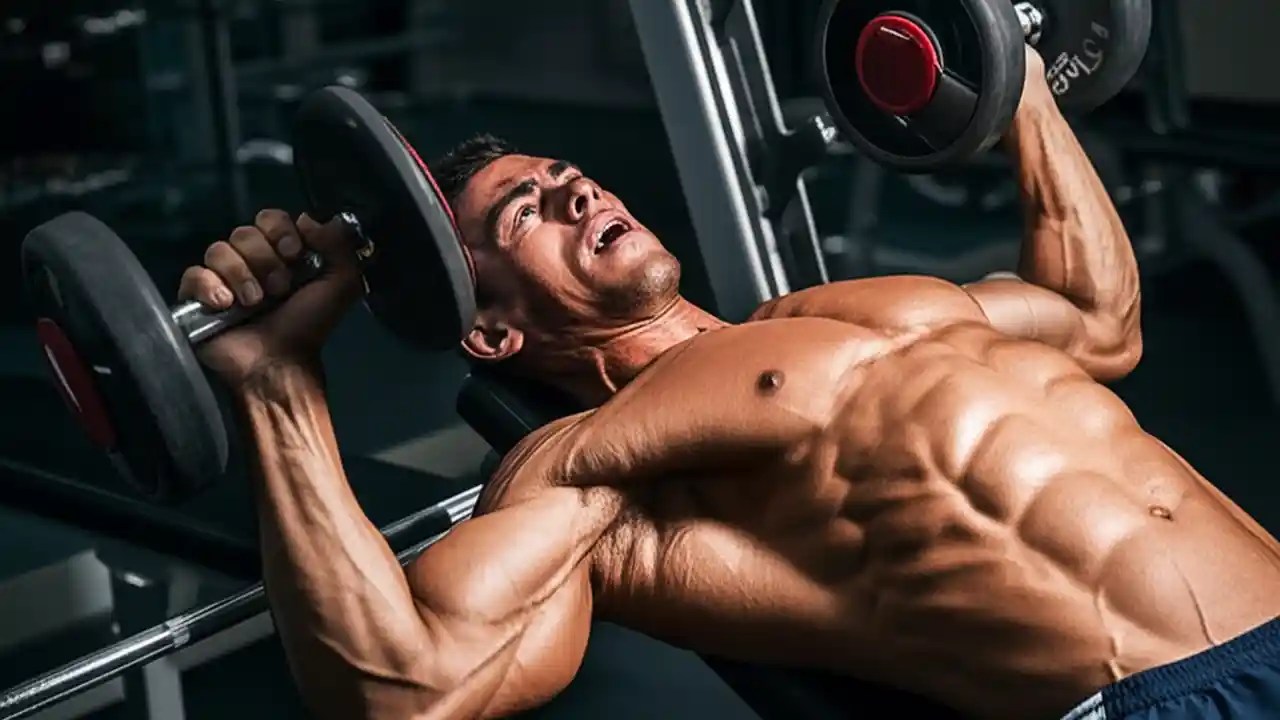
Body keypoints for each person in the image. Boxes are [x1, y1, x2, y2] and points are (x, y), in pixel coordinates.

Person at [178, 49, 1280, 720]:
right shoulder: (598, 471)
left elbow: (1096, 320)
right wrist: (281, 382)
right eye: (525, 215)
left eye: (566, 178)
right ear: (494, 336)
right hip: (1168, 697)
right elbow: (404, 686)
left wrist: (1021, 87)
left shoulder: (864, 306)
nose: (572, 196)